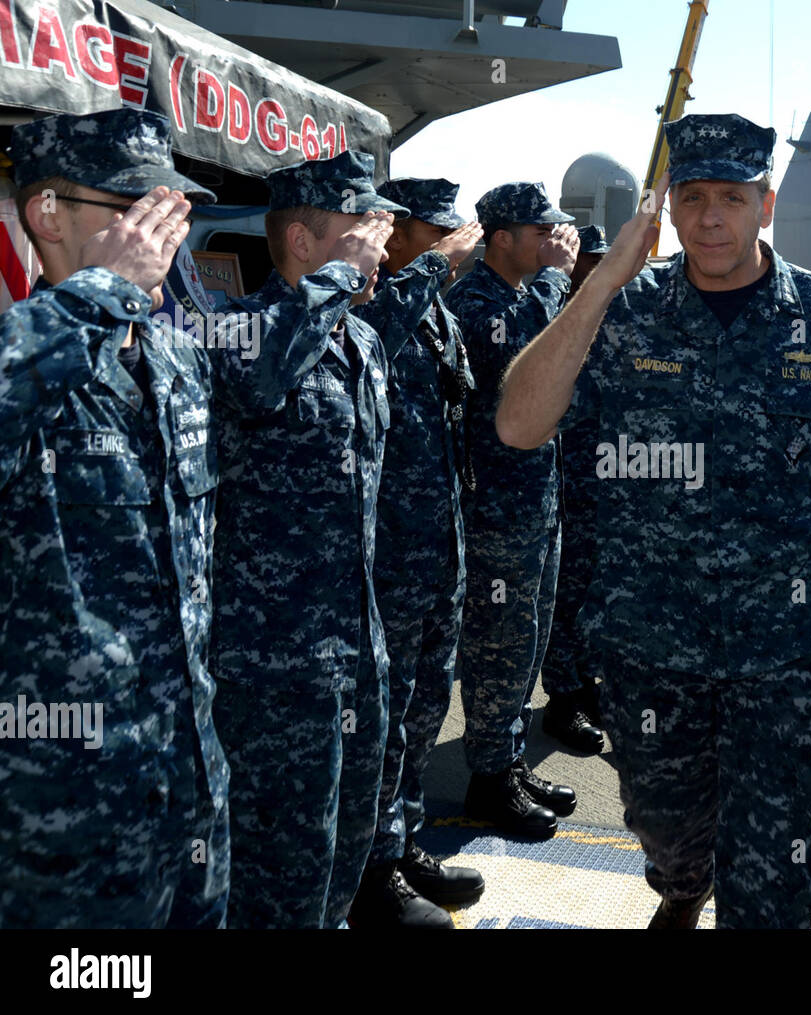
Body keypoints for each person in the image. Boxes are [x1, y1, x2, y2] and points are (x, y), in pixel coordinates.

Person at [495, 113, 811, 929]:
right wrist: (598, 285)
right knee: (668, 829)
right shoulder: (625, 314)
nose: (713, 216)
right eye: (694, 196)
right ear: (668, 208)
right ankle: (682, 886)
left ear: (765, 204)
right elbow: (517, 426)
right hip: (650, 640)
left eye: (733, 197)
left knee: (770, 865)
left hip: (781, 644)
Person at [0, 109, 228, 928]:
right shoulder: (27, 354)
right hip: (67, 814)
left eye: (175, 209)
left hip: (191, 783)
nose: (168, 234)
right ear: (47, 215)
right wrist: (101, 293)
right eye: (138, 210)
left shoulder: (172, 362)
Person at [207, 150, 404, 928]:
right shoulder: (241, 332)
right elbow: (258, 385)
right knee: (279, 871)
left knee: (344, 849)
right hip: (273, 667)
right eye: (361, 231)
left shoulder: (363, 345)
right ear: (300, 240)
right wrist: (338, 279)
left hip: (357, 646)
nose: (378, 248)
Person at [350, 177, 486, 927]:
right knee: (387, 714)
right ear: (395, 235)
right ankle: (373, 869)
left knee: (425, 704)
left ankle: (402, 844)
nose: (449, 242)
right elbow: (382, 330)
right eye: (434, 231)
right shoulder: (375, 306)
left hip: (440, 543)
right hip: (394, 552)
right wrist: (437, 266)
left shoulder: (434, 316)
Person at [446, 182, 584, 838]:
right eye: (540, 232)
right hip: (497, 511)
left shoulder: (521, 296)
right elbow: (536, 351)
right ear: (501, 237)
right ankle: (488, 780)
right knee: (498, 642)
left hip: (535, 500)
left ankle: (507, 758)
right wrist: (560, 278)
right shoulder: (478, 303)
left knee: (527, 636)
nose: (553, 242)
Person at [540, 224, 611, 749]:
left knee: (593, 589)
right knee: (566, 593)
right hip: (565, 481)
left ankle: (586, 683)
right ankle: (562, 699)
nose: (599, 267)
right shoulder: (555, 316)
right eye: (593, 259)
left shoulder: (608, 314)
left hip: (605, 479)